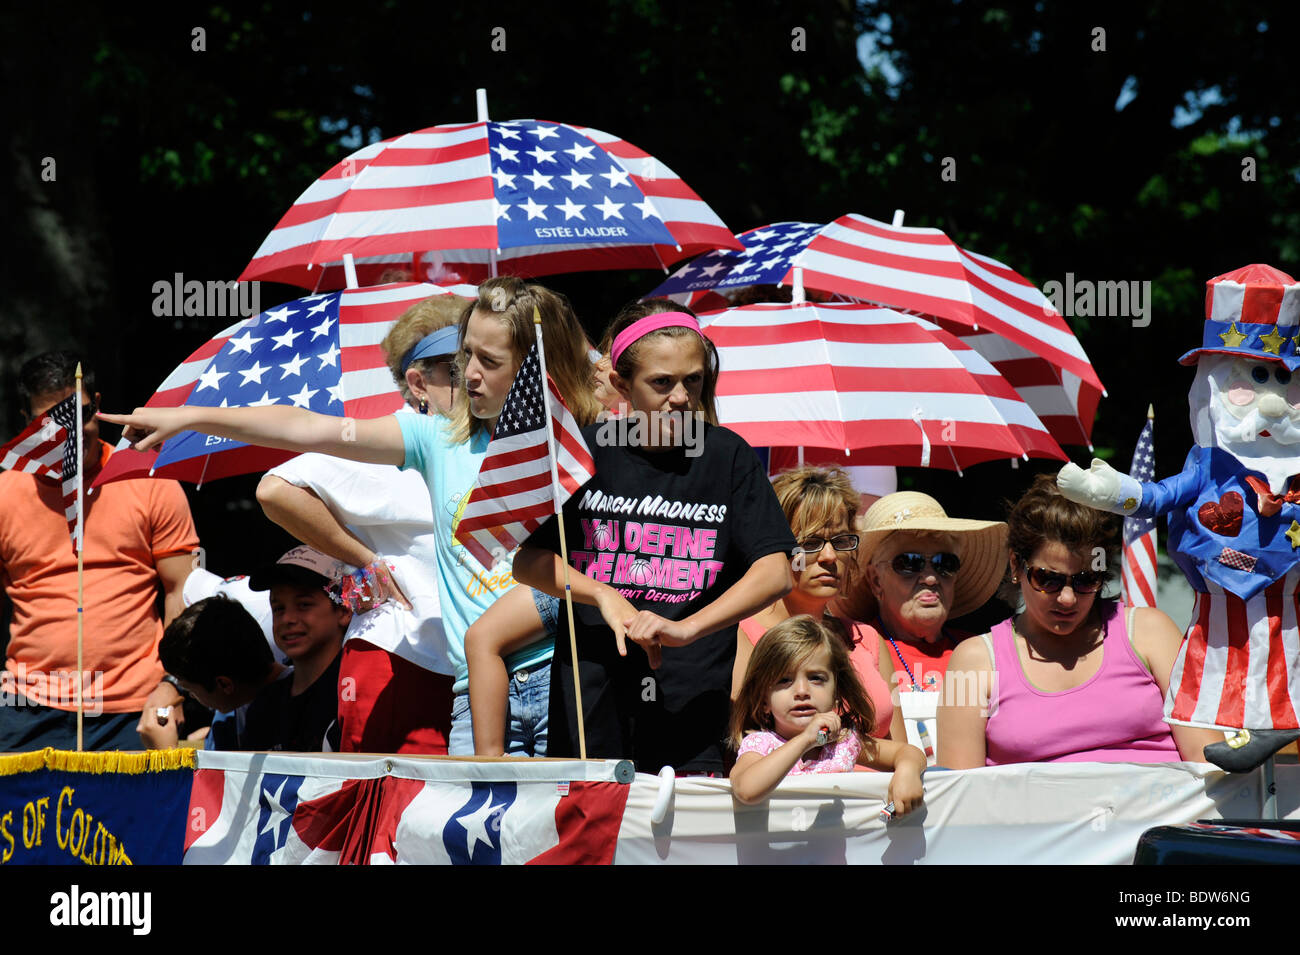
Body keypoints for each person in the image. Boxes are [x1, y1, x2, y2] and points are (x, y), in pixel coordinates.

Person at [100, 278, 602, 754]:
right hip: (474, 695)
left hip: (570, 675)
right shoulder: (436, 438)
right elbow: (307, 429)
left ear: (535, 367)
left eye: (487, 360)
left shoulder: (578, 440)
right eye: (463, 355)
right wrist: (189, 416)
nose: (468, 372)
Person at [513, 299, 796, 774]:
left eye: (694, 380)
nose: (682, 397)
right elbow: (527, 561)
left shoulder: (727, 455)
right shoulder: (582, 451)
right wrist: (602, 594)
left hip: (690, 706)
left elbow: (776, 570)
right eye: (662, 383)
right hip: (591, 699)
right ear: (622, 385)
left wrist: (687, 628)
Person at [257, 293, 464, 754]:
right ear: (417, 382)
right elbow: (275, 490)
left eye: (481, 359)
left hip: (469, 663)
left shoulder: (480, 443)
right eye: (455, 365)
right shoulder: (387, 444)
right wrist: (366, 561)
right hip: (399, 658)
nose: (473, 375)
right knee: (386, 811)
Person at [937, 475, 1223, 767]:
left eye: (1086, 580)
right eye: (1048, 579)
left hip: (1161, 810)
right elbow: (960, 792)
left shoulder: (1151, 632)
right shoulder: (973, 660)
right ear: (1015, 565)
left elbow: (1208, 761)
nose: (1068, 598)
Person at [0, 351, 199, 752]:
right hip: (27, 707)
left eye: (81, 414)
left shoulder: (148, 478)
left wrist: (173, 685)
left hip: (134, 707)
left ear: (99, 405)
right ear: (26, 422)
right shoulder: (5, 493)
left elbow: (184, 590)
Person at [836, 491, 1007, 765]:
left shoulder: (982, 651)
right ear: (875, 580)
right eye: (909, 563)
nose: (930, 577)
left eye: (944, 564)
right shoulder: (852, 651)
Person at [736, 466, 898, 740]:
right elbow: (742, 748)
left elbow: (899, 747)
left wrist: (909, 759)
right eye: (810, 542)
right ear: (773, 546)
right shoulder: (741, 637)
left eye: (841, 540)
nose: (830, 556)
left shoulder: (867, 639)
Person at [728, 615, 927, 808]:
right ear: (764, 701)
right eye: (784, 681)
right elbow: (746, 789)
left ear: (837, 693)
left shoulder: (844, 743)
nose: (802, 692)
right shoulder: (760, 746)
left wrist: (907, 771)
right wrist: (806, 740)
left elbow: (906, 752)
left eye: (816, 678)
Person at [241, 546, 351, 752]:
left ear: (344, 610)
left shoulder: (353, 696)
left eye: (304, 605)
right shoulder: (265, 706)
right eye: (278, 608)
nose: (287, 619)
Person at [155, 596, 290, 750]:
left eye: (191, 691)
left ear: (224, 684)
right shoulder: (227, 717)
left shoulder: (302, 705)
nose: (190, 697)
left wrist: (165, 750)